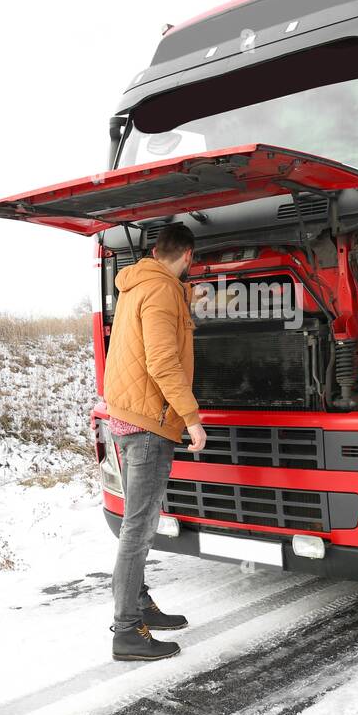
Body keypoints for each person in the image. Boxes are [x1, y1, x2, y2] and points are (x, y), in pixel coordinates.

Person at [102, 223, 207, 662]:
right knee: (138, 529)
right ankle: (127, 632)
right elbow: (163, 360)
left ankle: (141, 606)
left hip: (127, 416)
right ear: (187, 257)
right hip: (148, 423)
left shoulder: (138, 284)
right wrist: (192, 419)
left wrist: (187, 300)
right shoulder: (162, 292)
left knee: (136, 523)